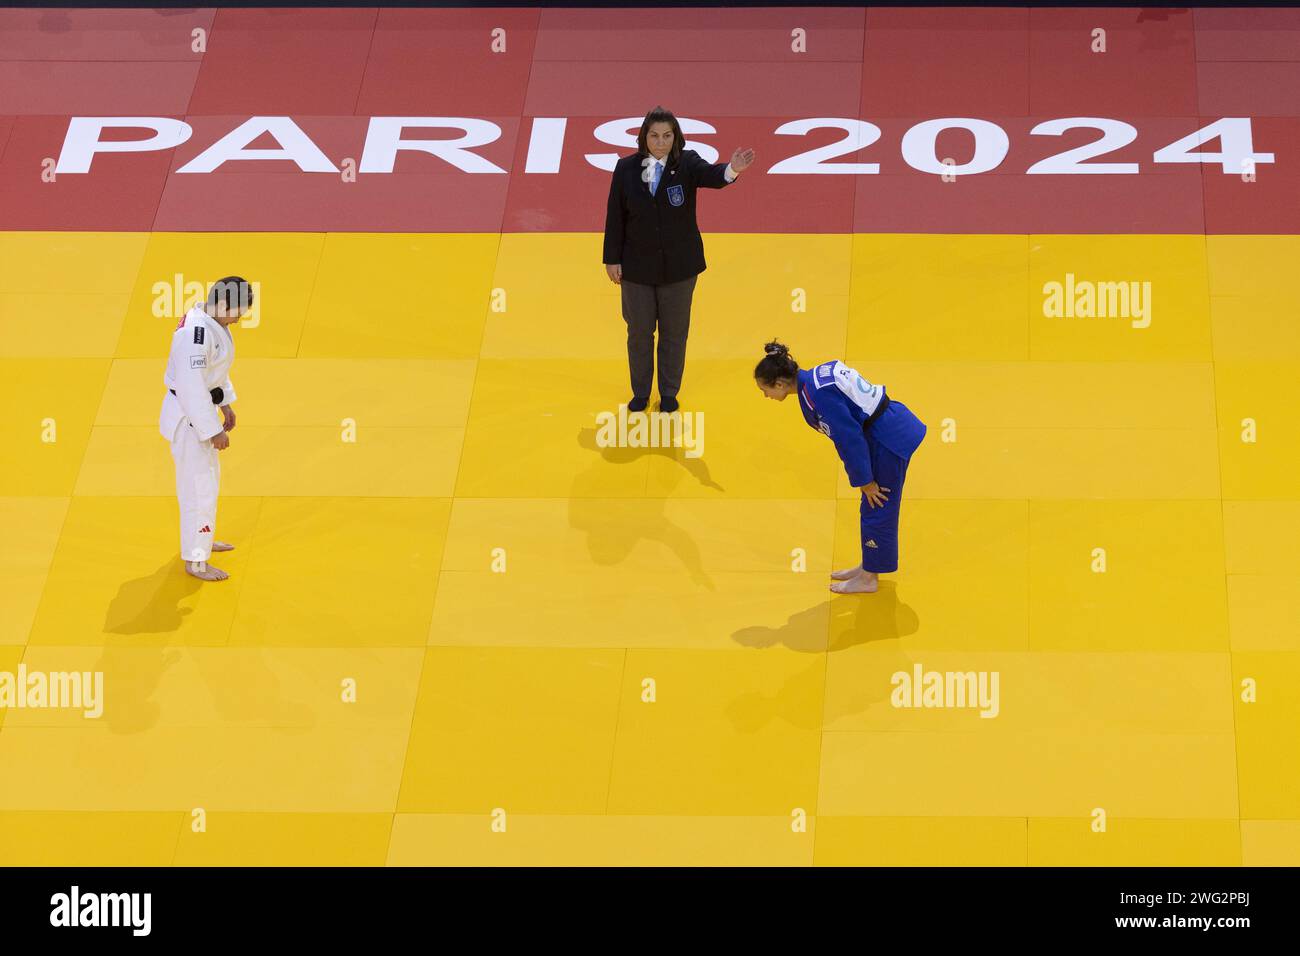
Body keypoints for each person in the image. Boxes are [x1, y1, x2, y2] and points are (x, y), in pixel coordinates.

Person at [603, 105, 755, 413]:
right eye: (654, 135)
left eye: (667, 136)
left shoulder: (687, 163)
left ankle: (669, 392)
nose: (660, 142)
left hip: (680, 269)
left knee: (674, 333)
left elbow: (713, 176)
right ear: (644, 137)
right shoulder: (625, 169)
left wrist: (733, 170)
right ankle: (641, 392)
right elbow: (615, 217)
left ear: (676, 138)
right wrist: (611, 259)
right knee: (639, 333)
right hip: (636, 269)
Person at [754, 340, 926, 594]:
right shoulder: (817, 376)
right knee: (873, 506)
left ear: (779, 383)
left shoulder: (816, 396)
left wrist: (865, 480)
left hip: (887, 439)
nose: (765, 396)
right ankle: (868, 566)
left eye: (765, 389)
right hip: (892, 424)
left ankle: (869, 579)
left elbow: (849, 439)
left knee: (877, 506)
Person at [159, 276, 251, 582]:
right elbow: (191, 387)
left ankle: (202, 539)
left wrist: (225, 403)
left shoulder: (213, 323)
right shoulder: (194, 335)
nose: (240, 318)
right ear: (223, 304)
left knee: (207, 485)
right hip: (189, 420)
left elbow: (215, 372)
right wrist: (212, 430)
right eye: (238, 311)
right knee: (198, 489)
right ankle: (196, 560)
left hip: (199, 413)